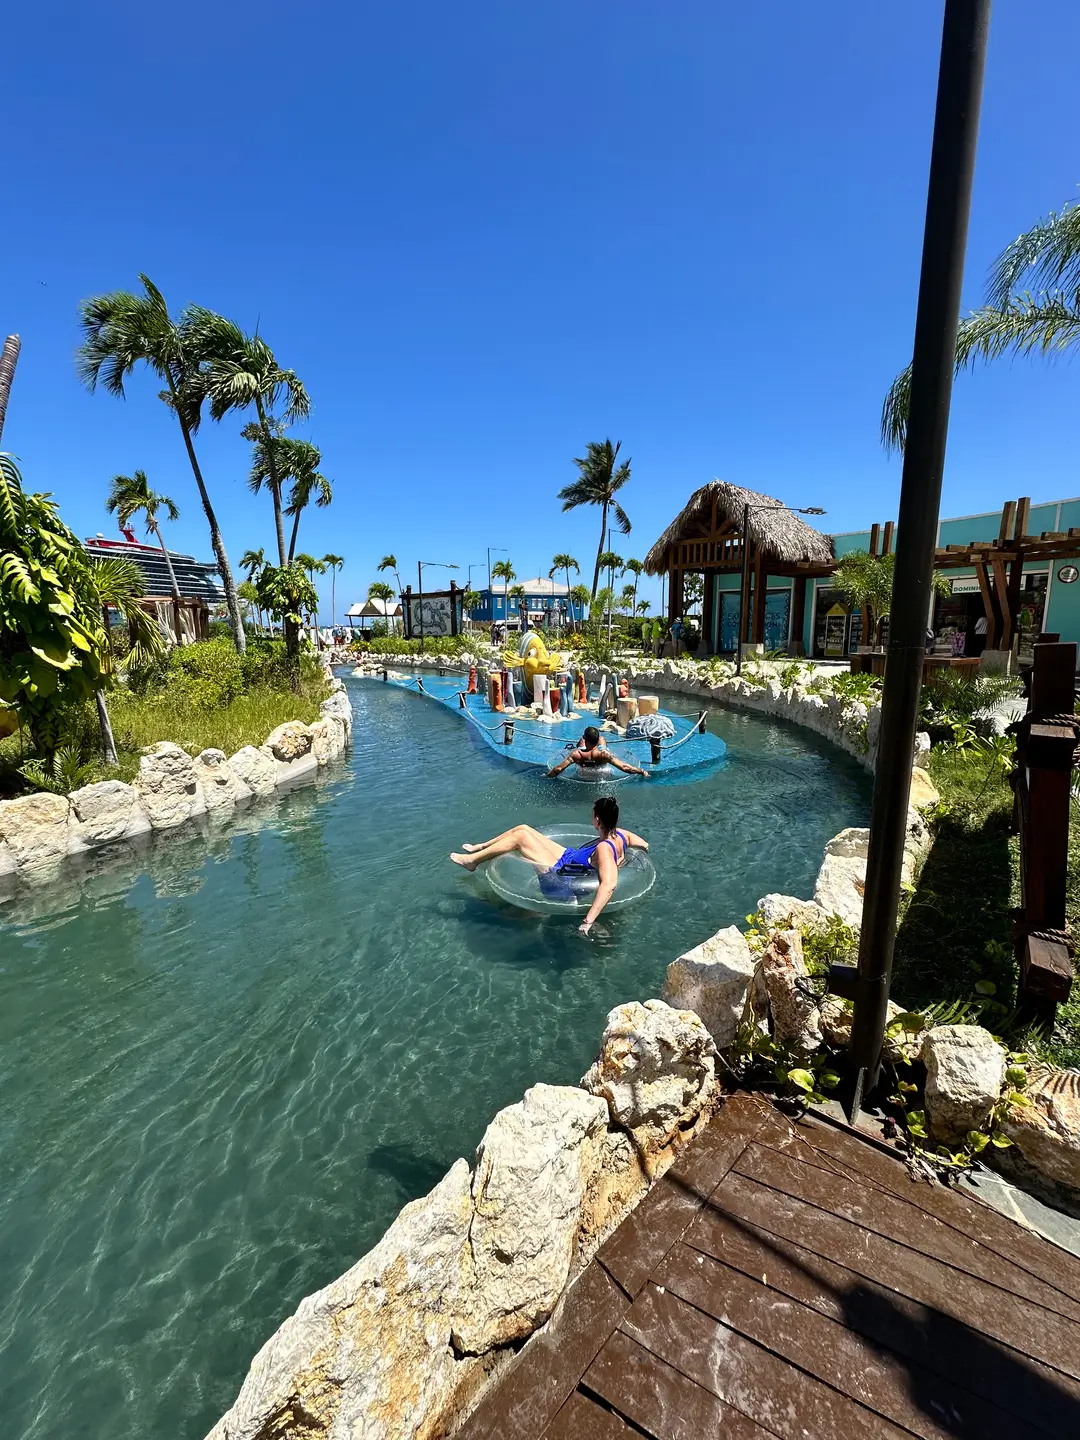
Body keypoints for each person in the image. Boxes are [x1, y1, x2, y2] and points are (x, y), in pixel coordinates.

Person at [450, 796, 649, 934]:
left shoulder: (605, 848)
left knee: (520, 838)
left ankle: (472, 862)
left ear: (597, 819)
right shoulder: (621, 834)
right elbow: (644, 844)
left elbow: (609, 884)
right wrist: (629, 857)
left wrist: (588, 921)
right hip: (570, 856)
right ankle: (482, 847)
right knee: (523, 828)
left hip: (565, 873)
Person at [545, 725, 648, 778]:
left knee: (580, 743)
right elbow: (624, 767)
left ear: (585, 738)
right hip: (598, 755)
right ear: (596, 740)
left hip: (582, 757)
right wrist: (641, 771)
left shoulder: (576, 754)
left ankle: (588, 740)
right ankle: (598, 740)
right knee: (603, 740)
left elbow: (558, 769)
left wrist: (546, 776)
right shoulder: (604, 754)